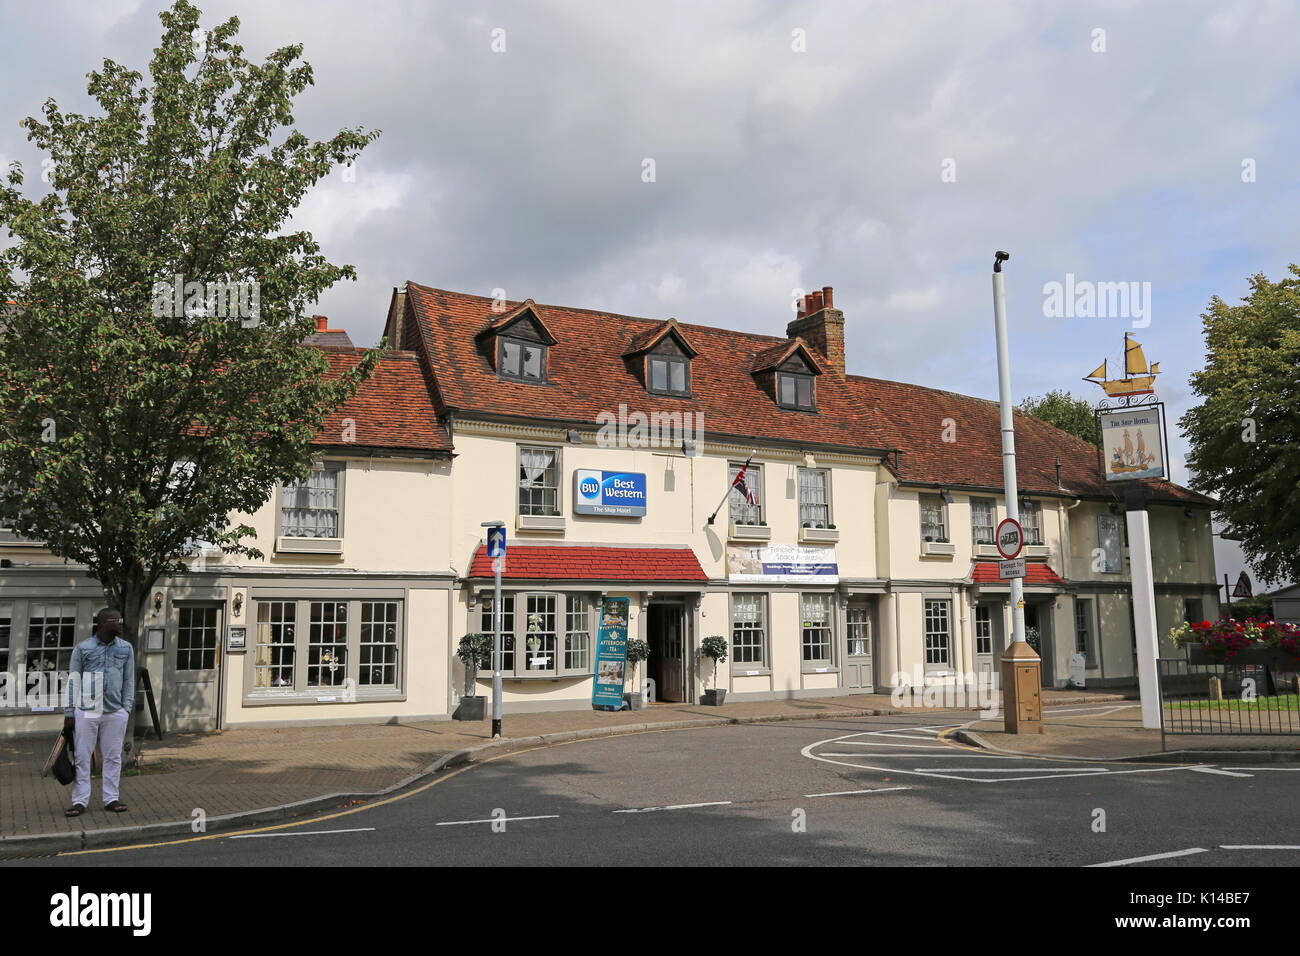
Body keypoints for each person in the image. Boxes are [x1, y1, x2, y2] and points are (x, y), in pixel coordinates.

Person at [62, 607, 133, 816]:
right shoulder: (83, 648)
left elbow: (129, 680)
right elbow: (73, 680)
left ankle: (111, 798)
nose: (120, 623)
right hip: (87, 709)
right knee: (83, 756)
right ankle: (80, 801)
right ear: (103, 623)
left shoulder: (126, 648)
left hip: (114, 710)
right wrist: (69, 712)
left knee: (113, 756)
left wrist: (126, 708)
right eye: (115, 620)